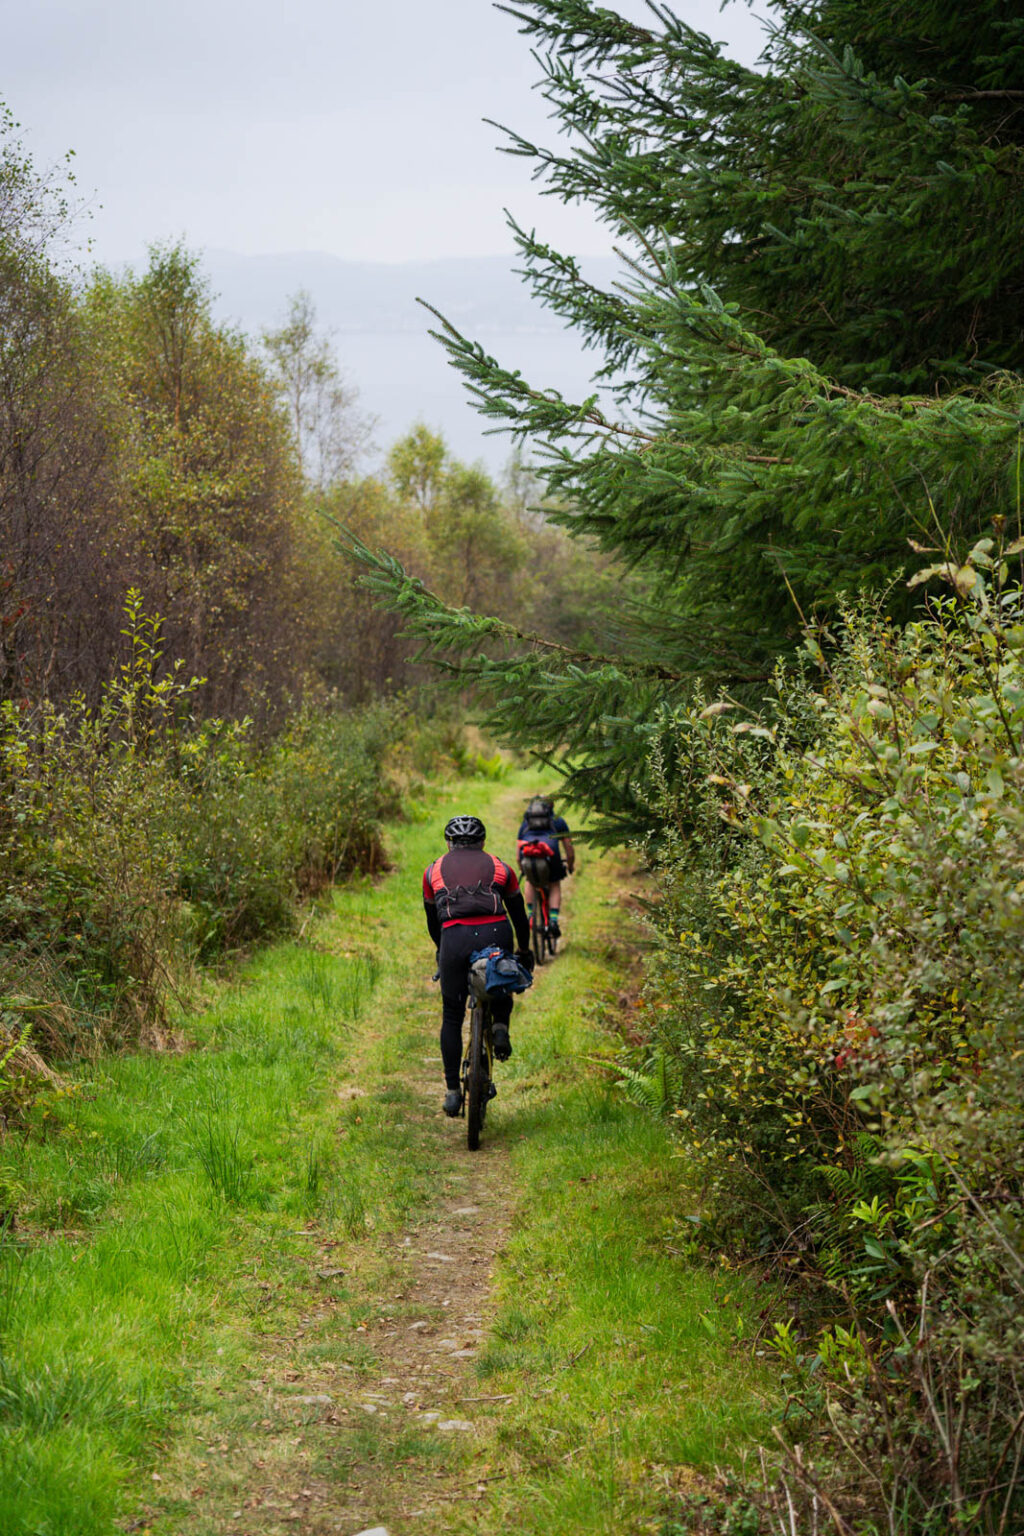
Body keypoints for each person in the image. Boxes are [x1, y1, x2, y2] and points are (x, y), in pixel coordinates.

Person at [423, 814, 534, 1118]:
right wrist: (524, 950)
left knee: (451, 1014)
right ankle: (500, 1026)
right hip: (495, 932)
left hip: (453, 939)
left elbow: (434, 923)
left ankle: (452, 1091)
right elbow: (519, 916)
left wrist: (441, 951)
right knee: (501, 975)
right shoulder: (501, 867)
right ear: (482, 841)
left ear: (449, 842)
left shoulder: (433, 870)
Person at [516, 795, 575, 938]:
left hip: (528, 854)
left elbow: (518, 853)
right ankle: (553, 920)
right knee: (554, 884)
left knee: (530, 881)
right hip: (551, 855)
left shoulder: (525, 823)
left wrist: (522, 868)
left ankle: (530, 915)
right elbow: (569, 848)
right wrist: (570, 864)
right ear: (551, 807)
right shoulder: (558, 821)